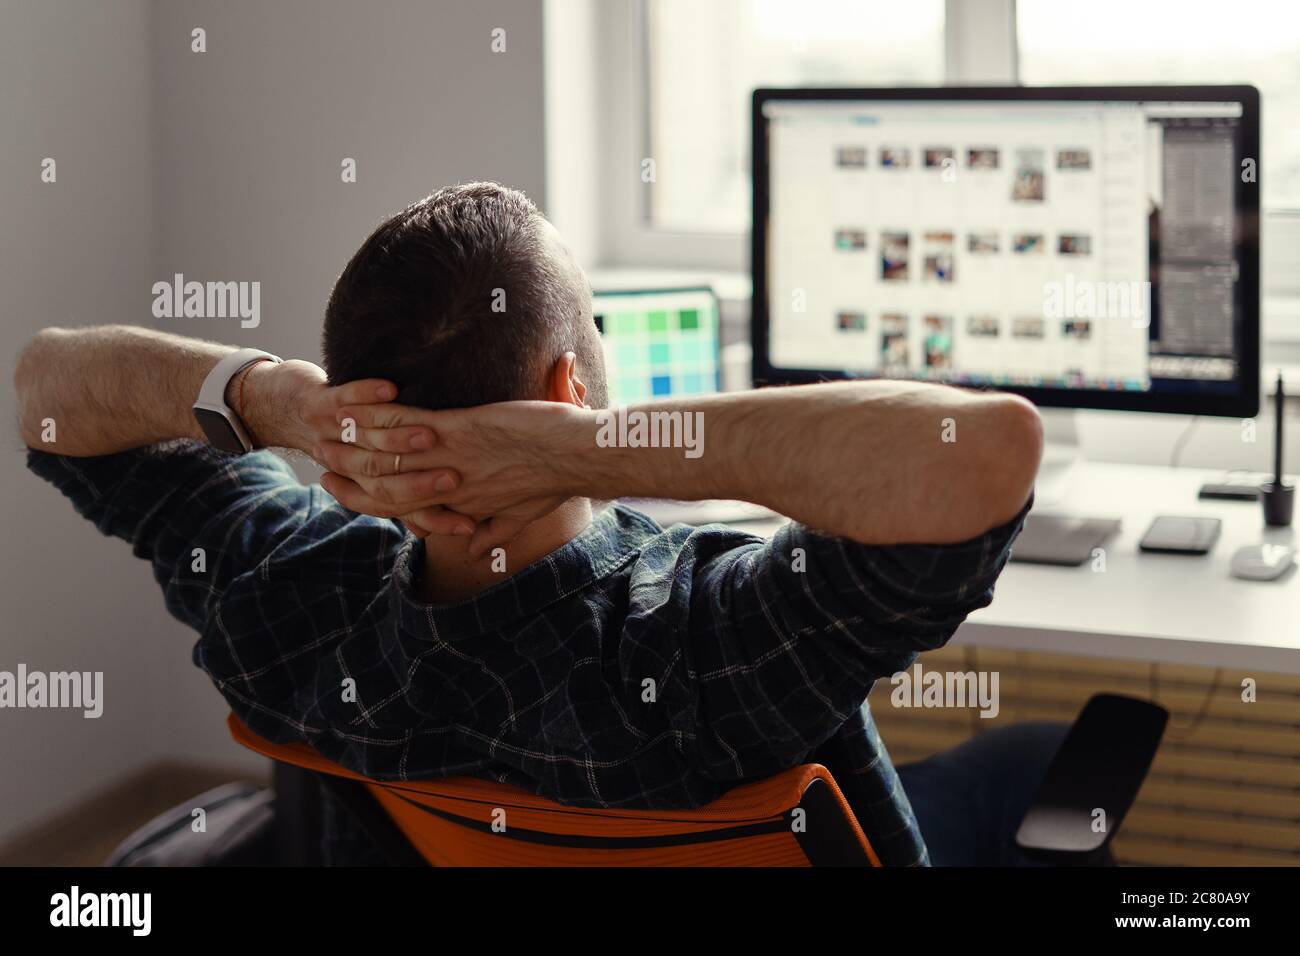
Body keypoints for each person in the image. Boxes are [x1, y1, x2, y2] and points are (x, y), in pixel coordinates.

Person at [15, 182, 1056, 866]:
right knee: (1040, 760)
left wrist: (271, 399)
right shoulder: (705, 642)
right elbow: (989, 447)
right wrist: (577, 444)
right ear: (570, 384)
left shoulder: (288, 596)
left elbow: (48, 386)